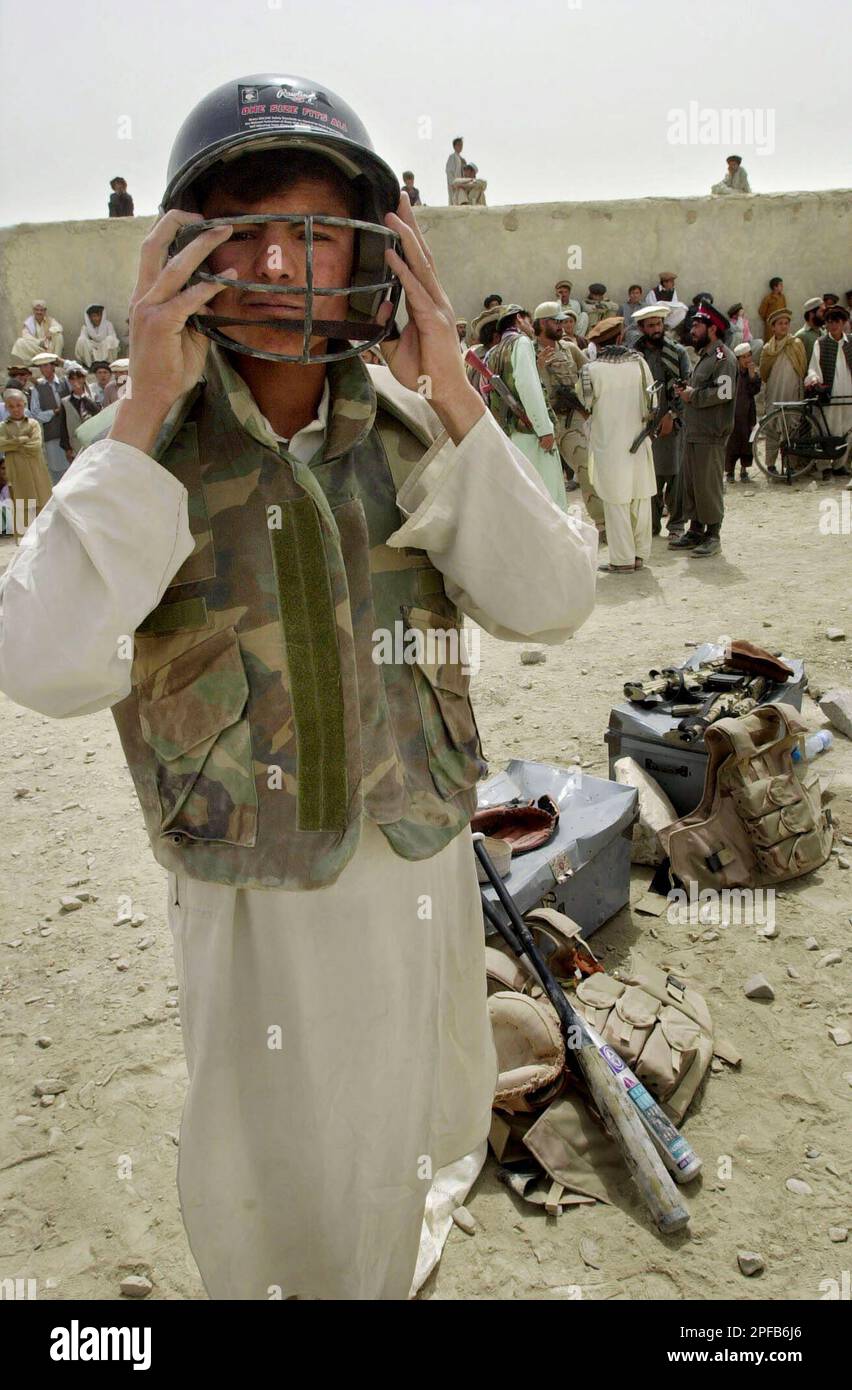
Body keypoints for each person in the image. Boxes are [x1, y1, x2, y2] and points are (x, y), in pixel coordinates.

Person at [0, 73, 597, 1304]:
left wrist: (459, 396)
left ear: (372, 257)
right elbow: (43, 660)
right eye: (248, 227)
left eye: (319, 231)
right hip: (255, 904)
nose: (282, 258)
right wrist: (146, 404)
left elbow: (552, 599)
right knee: (279, 1191)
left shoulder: (413, 435)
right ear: (189, 256)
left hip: (420, 873)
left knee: (419, 1149)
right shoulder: (145, 455)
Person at [573, 317, 657, 573]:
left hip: (609, 445)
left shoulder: (590, 370)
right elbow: (652, 402)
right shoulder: (640, 363)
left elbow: (584, 403)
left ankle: (622, 559)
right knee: (640, 498)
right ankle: (640, 555)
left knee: (616, 502)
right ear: (620, 338)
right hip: (639, 441)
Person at [485, 304, 568, 508]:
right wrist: (544, 430)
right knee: (548, 501)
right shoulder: (521, 342)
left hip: (511, 433)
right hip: (531, 434)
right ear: (519, 319)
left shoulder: (495, 351)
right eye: (529, 322)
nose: (532, 328)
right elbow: (527, 386)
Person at [670, 303, 736, 557]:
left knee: (708, 486)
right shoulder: (706, 356)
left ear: (712, 329)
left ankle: (713, 535)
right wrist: (686, 390)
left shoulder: (723, 357)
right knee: (693, 485)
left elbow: (725, 391)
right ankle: (696, 530)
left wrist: (693, 395)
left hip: (711, 433)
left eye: (697, 325)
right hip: (695, 431)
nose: (692, 330)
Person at [631, 304, 690, 536]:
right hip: (644, 424)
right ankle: (651, 525)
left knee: (674, 474)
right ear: (641, 328)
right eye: (651, 325)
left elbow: (685, 387)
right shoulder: (634, 354)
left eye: (658, 324)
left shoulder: (678, 353)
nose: (656, 329)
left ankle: (676, 525)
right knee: (648, 476)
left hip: (672, 422)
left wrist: (672, 415)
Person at [533, 300, 584, 494]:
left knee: (585, 465)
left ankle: (601, 522)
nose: (561, 326)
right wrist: (539, 367)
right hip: (545, 421)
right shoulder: (528, 350)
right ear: (544, 323)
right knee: (546, 477)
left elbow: (589, 370)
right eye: (557, 322)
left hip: (572, 417)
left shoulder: (569, 348)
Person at [758, 308, 807, 474]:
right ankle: (770, 465)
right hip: (774, 391)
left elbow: (802, 368)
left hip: (792, 391)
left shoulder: (797, 344)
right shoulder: (767, 349)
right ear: (773, 327)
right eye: (780, 324)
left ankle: (790, 465)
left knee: (791, 428)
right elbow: (764, 373)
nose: (784, 326)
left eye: (786, 323)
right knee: (772, 426)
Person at [805, 305, 852, 475]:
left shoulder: (850, 342)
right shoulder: (821, 343)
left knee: (847, 428)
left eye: (837, 322)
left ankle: (840, 464)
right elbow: (813, 367)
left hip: (848, 393)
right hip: (829, 394)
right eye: (830, 322)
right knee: (825, 429)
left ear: (844, 323)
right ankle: (824, 466)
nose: (833, 326)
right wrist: (815, 380)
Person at [0, 390, 53, 539]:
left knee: (42, 508)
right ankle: (26, 548)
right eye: (11, 406)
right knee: (23, 509)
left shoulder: (33, 424)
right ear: (7, 408)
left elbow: (35, 445)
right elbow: (1, 445)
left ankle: (47, 544)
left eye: (18, 405)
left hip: (37, 474)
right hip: (18, 476)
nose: (16, 409)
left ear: (24, 405)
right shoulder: (3, 427)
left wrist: (13, 444)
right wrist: (21, 440)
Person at [28, 352, 70, 483]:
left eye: (46, 365)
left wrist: (62, 361)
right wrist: (54, 412)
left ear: (53, 366)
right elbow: (35, 413)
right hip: (53, 434)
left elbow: (79, 370)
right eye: (41, 366)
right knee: (57, 472)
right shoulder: (37, 388)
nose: (43, 369)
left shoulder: (65, 382)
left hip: (69, 432)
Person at [725, 342, 761, 481]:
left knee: (747, 443)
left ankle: (744, 470)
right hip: (733, 414)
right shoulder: (732, 373)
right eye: (743, 357)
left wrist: (752, 377)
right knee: (731, 444)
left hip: (748, 414)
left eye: (749, 356)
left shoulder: (752, 373)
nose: (747, 360)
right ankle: (730, 472)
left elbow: (754, 391)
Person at [59, 364, 101, 463]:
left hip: (92, 442)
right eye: (72, 379)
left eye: (79, 378)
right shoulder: (65, 402)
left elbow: (98, 414)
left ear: (84, 379)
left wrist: (83, 397)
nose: (76, 382)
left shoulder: (93, 397)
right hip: (76, 444)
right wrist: (67, 448)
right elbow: (63, 426)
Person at [10, 300, 65, 364]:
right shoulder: (29, 322)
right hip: (36, 348)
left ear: (45, 311)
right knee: (20, 342)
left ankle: (55, 362)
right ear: (33, 310)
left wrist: (51, 331)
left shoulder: (50, 320)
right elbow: (26, 336)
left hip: (48, 349)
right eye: (37, 310)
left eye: (41, 310)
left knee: (58, 336)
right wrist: (39, 342)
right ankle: (34, 362)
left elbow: (60, 327)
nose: (39, 312)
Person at [795, 297, 825, 362]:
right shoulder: (801, 336)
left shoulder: (824, 332)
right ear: (812, 314)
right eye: (822, 311)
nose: (824, 314)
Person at [446, 135, 464, 204]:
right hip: (454, 184)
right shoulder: (452, 157)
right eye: (459, 145)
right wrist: (453, 183)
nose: (460, 146)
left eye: (461, 145)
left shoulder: (461, 159)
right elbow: (449, 171)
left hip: (460, 183)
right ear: (454, 146)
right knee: (453, 201)